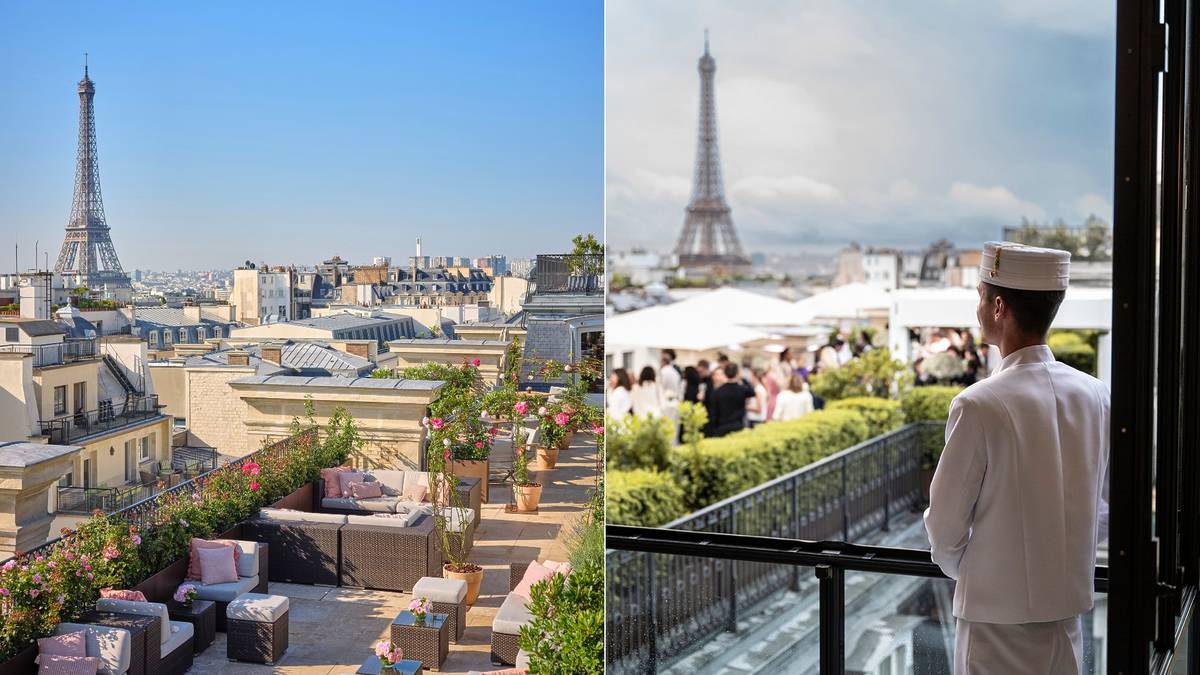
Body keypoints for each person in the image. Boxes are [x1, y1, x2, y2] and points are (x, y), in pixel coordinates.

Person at [924, 242, 1108, 675]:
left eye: (980, 296)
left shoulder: (979, 403)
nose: (978, 308)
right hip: (1067, 612)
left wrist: (973, 571)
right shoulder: (1097, 394)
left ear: (998, 306)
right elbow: (1100, 508)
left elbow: (945, 525)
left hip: (993, 620)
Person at [706, 362, 755, 437]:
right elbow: (752, 392)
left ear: (725, 374)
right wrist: (743, 378)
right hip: (738, 426)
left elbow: (713, 413)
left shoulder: (718, 391)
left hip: (721, 426)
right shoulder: (742, 389)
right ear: (737, 373)